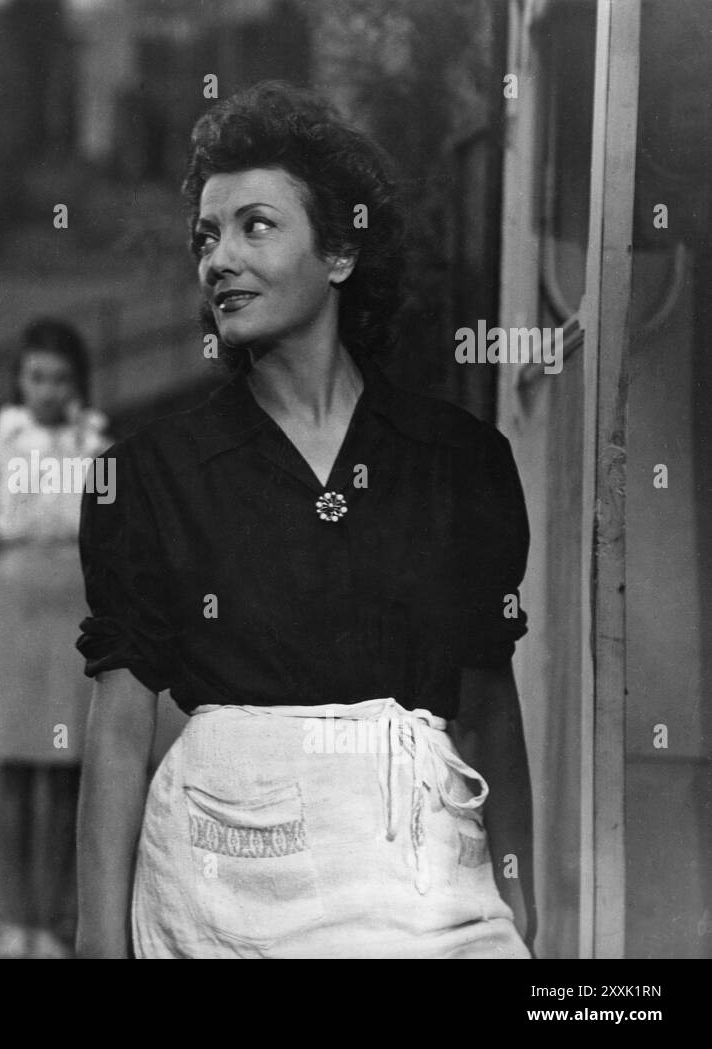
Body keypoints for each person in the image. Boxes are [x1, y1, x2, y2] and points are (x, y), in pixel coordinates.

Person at [75, 80, 537, 959]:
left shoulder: (457, 462)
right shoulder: (152, 474)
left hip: (426, 892)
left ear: (339, 255)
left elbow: (487, 703)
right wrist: (99, 942)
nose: (219, 259)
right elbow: (120, 730)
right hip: (223, 893)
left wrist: (522, 898)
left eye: (256, 225)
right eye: (207, 236)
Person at [0, 319, 110, 958]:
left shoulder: (96, 446)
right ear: (20, 380)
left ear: (77, 384)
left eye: (59, 378)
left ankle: (54, 919)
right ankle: (16, 917)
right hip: (12, 605)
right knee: (15, 772)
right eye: (35, 376)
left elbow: (111, 543)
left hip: (73, 607)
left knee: (66, 773)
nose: (47, 390)